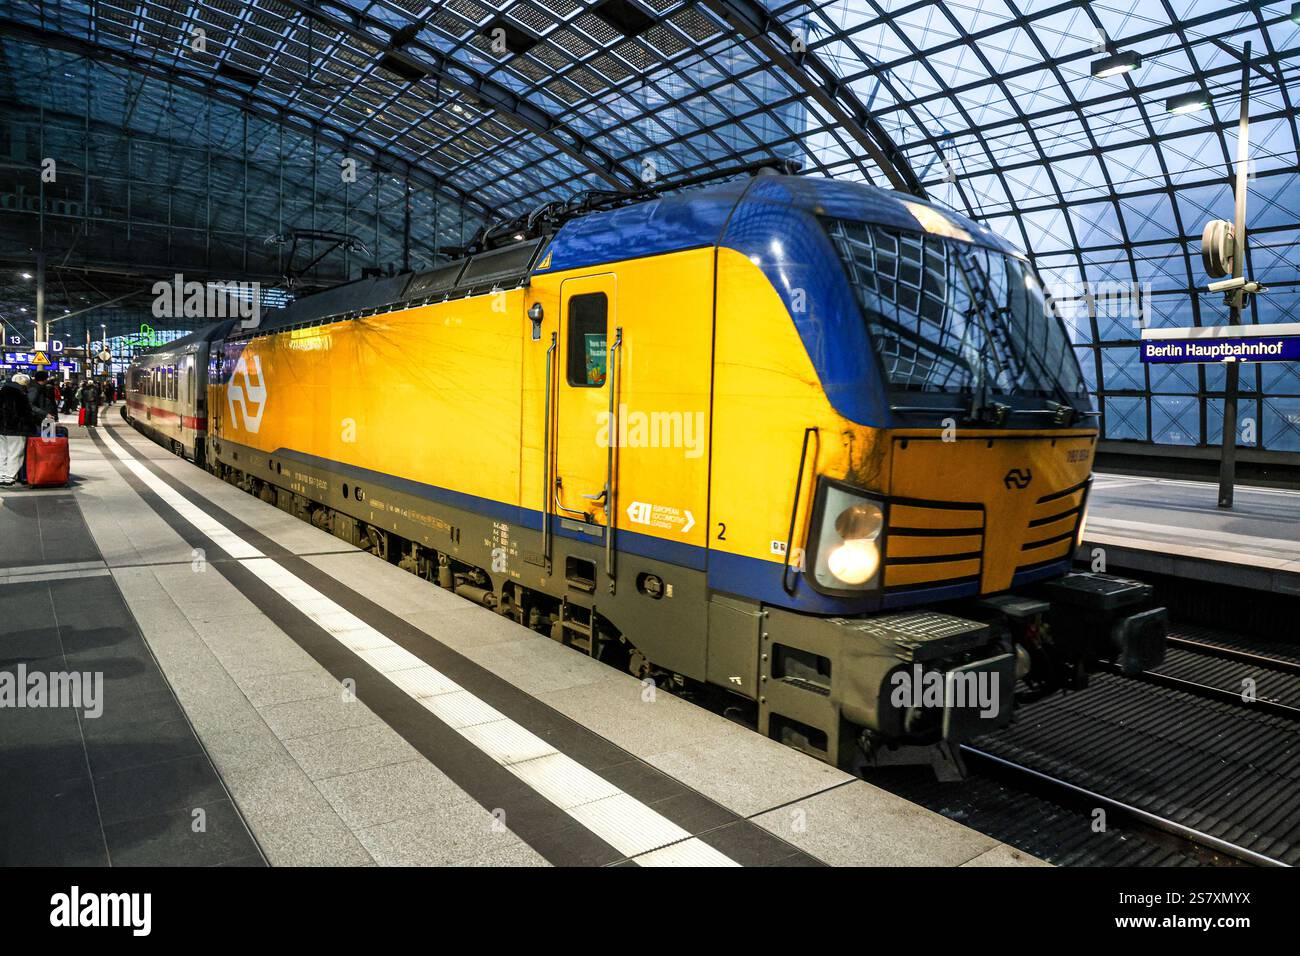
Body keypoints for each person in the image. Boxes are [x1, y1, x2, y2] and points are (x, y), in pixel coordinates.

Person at [0, 372, 37, 486]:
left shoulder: (2, 392)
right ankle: (9, 477)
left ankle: (1, 474)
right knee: (15, 453)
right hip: (17, 429)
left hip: (1, 428)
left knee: (2, 452)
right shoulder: (20, 395)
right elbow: (25, 413)